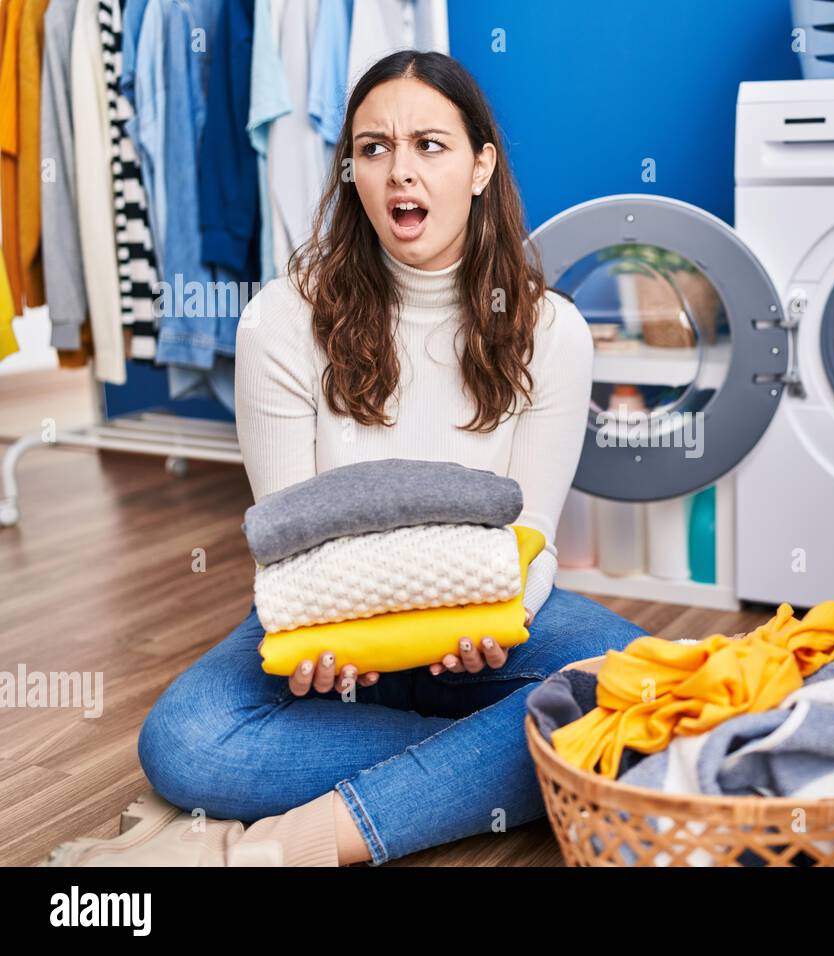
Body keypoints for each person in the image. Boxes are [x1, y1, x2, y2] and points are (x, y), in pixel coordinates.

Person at [40, 49, 649, 867]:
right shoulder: (282, 321)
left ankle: (278, 842)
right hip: (328, 627)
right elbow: (294, 533)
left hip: (491, 620)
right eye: (373, 148)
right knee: (186, 745)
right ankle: (489, 761)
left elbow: (531, 530)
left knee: (645, 686)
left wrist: (484, 624)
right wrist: (333, 633)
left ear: (480, 166)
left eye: (430, 146)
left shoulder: (551, 330)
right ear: (352, 171)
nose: (401, 172)